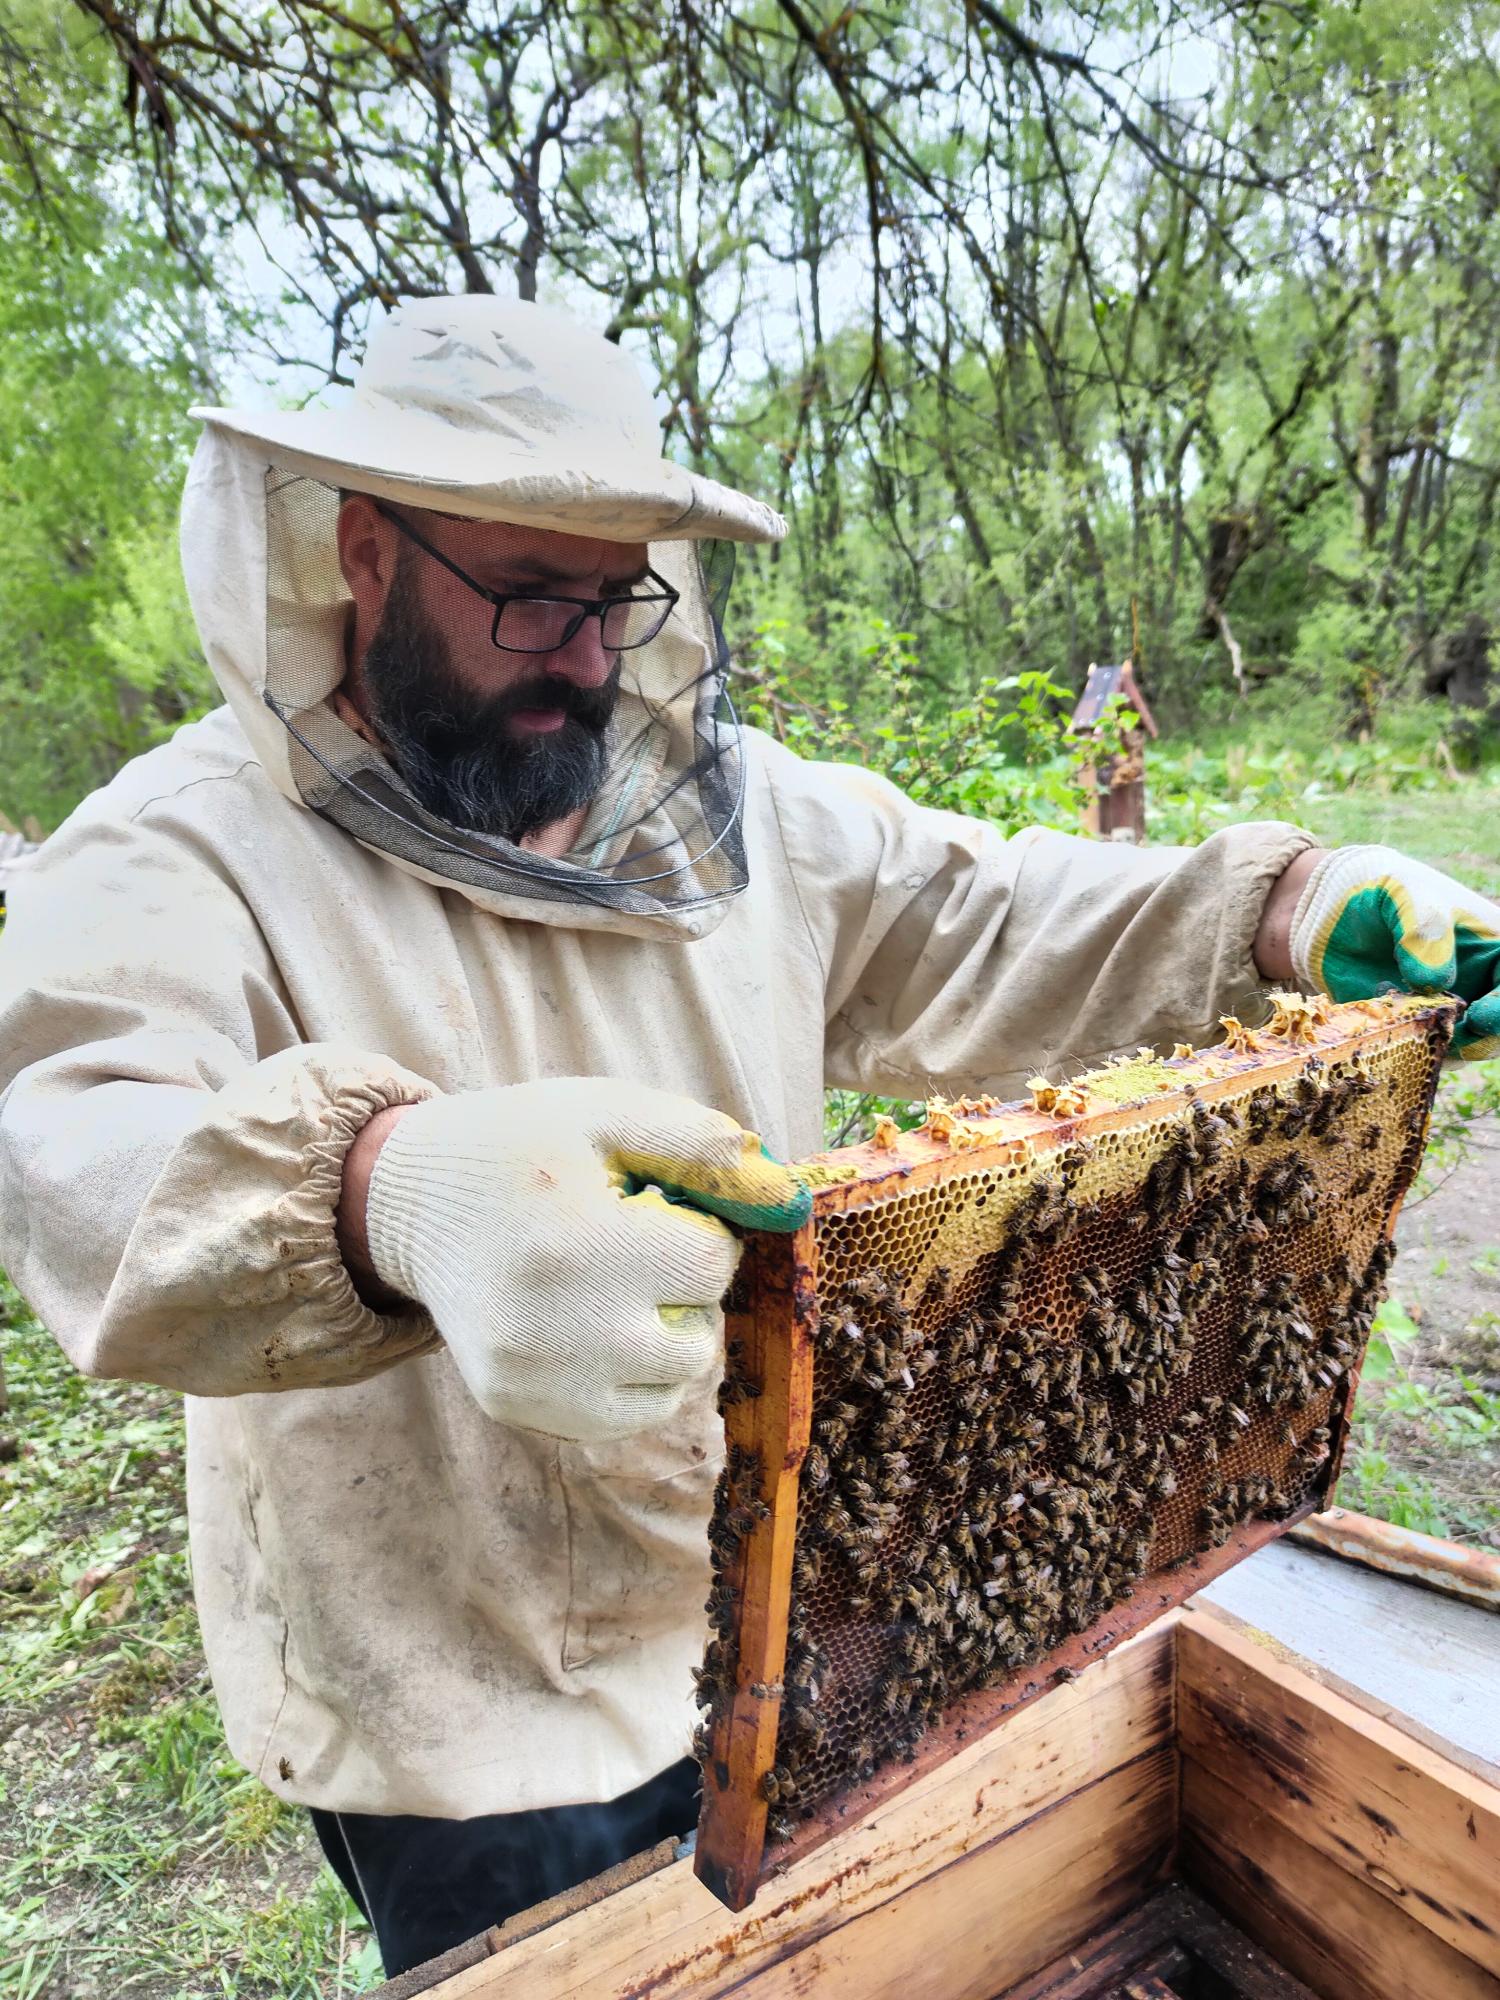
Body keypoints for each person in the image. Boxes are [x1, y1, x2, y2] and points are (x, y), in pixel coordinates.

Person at [1, 295, 1496, 1979]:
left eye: (619, 593)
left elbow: (992, 910)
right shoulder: (178, 851)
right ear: (363, 550)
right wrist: (381, 1194)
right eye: (525, 595)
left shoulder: (740, 812)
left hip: (781, 1613)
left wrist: (1280, 906)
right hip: (454, 1699)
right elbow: (64, 1143)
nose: (585, 652)